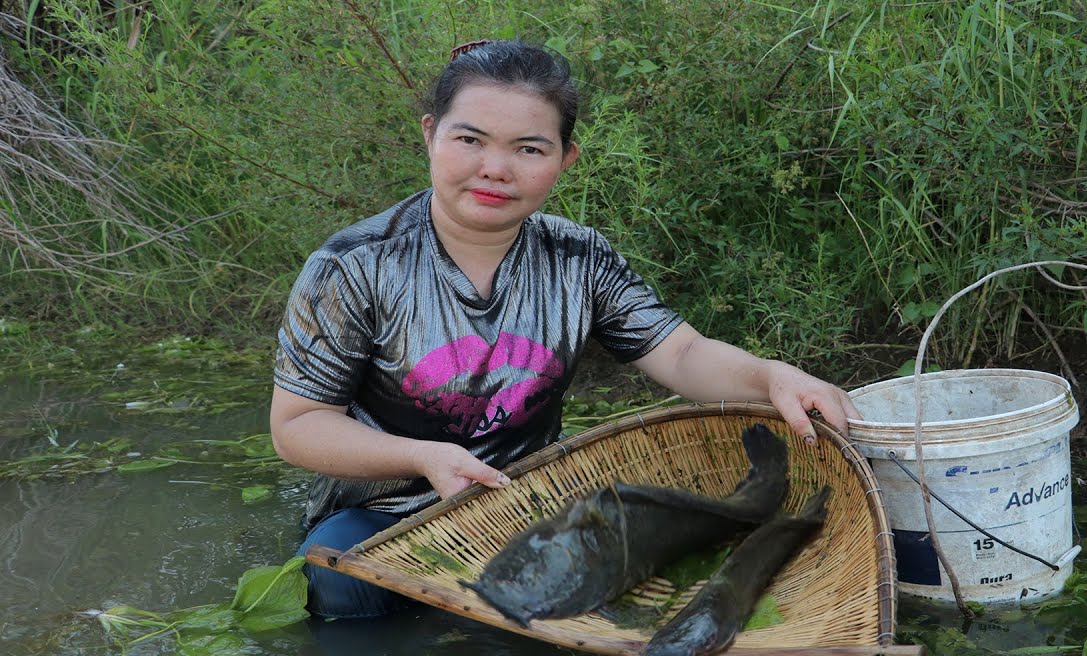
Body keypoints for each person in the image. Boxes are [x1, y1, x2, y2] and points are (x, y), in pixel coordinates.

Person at [270, 39, 861, 619]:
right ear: (430, 134)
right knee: (336, 586)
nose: (495, 169)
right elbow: (298, 425)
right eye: (469, 139)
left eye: (529, 149)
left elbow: (680, 354)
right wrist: (425, 456)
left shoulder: (578, 258)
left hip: (531, 503)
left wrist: (771, 376)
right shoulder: (354, 267)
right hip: (386, 510)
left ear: (564, 159)